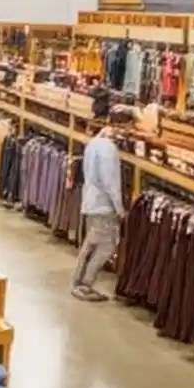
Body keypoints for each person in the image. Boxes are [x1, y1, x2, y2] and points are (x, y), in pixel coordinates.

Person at [72, 127, 123, 301]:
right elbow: (110, 182)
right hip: (104, 204)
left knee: (91, 243)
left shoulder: (92, 143)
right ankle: (86, 284)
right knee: (107, 246)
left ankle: (77, 281)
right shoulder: (109, 149)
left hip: (90, 201)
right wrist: (119, 207)